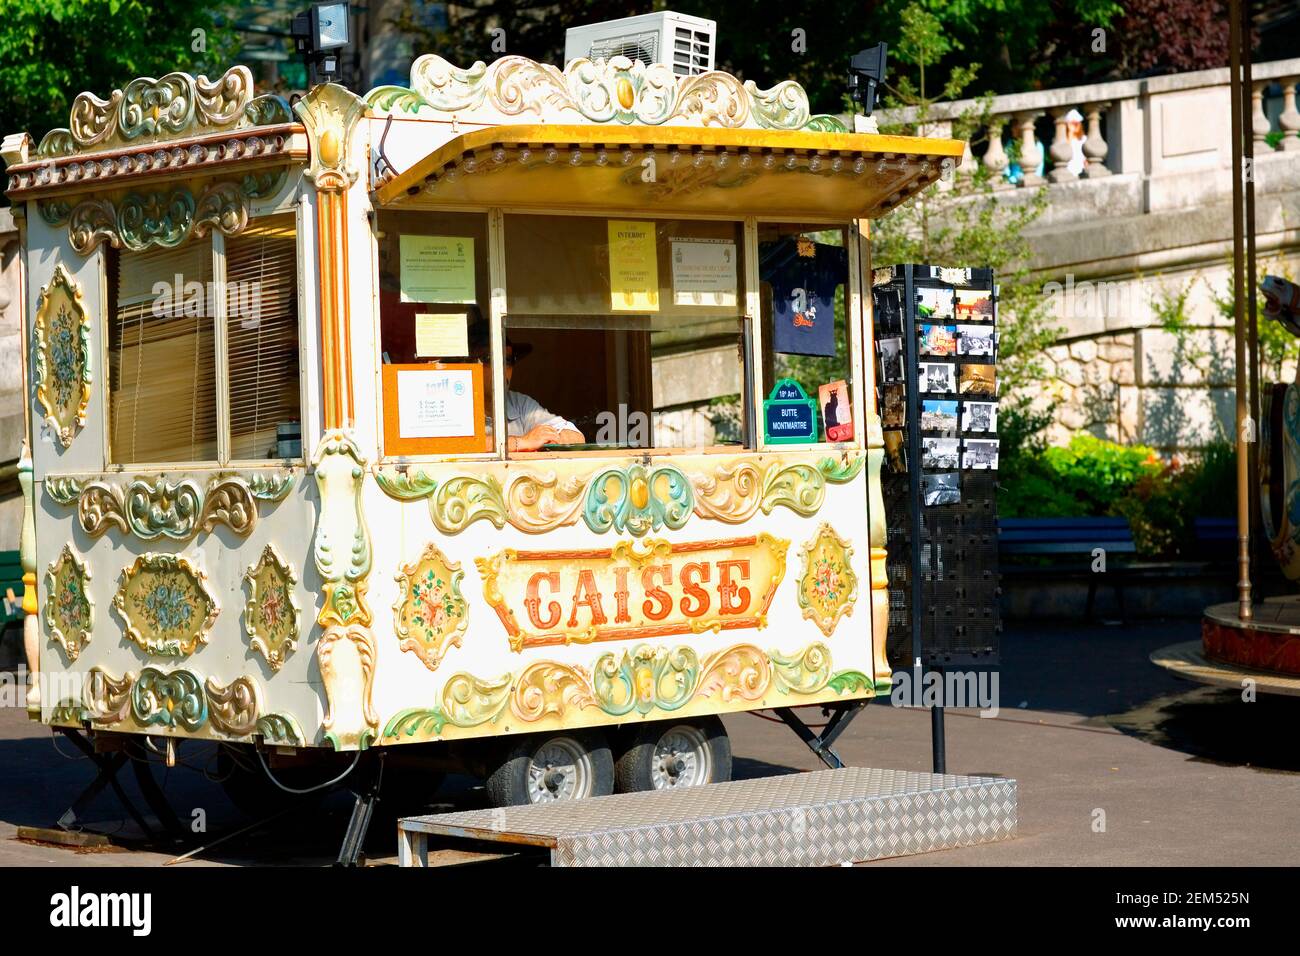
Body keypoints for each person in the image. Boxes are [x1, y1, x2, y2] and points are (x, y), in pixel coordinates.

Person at [501, 338, 585, 452]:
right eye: (489, 359)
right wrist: (522, 442)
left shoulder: (518, 403)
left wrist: (553, 440)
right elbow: (468, 446)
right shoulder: (467, 404)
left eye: (508, 360)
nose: (502, 368)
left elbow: (575, 436)